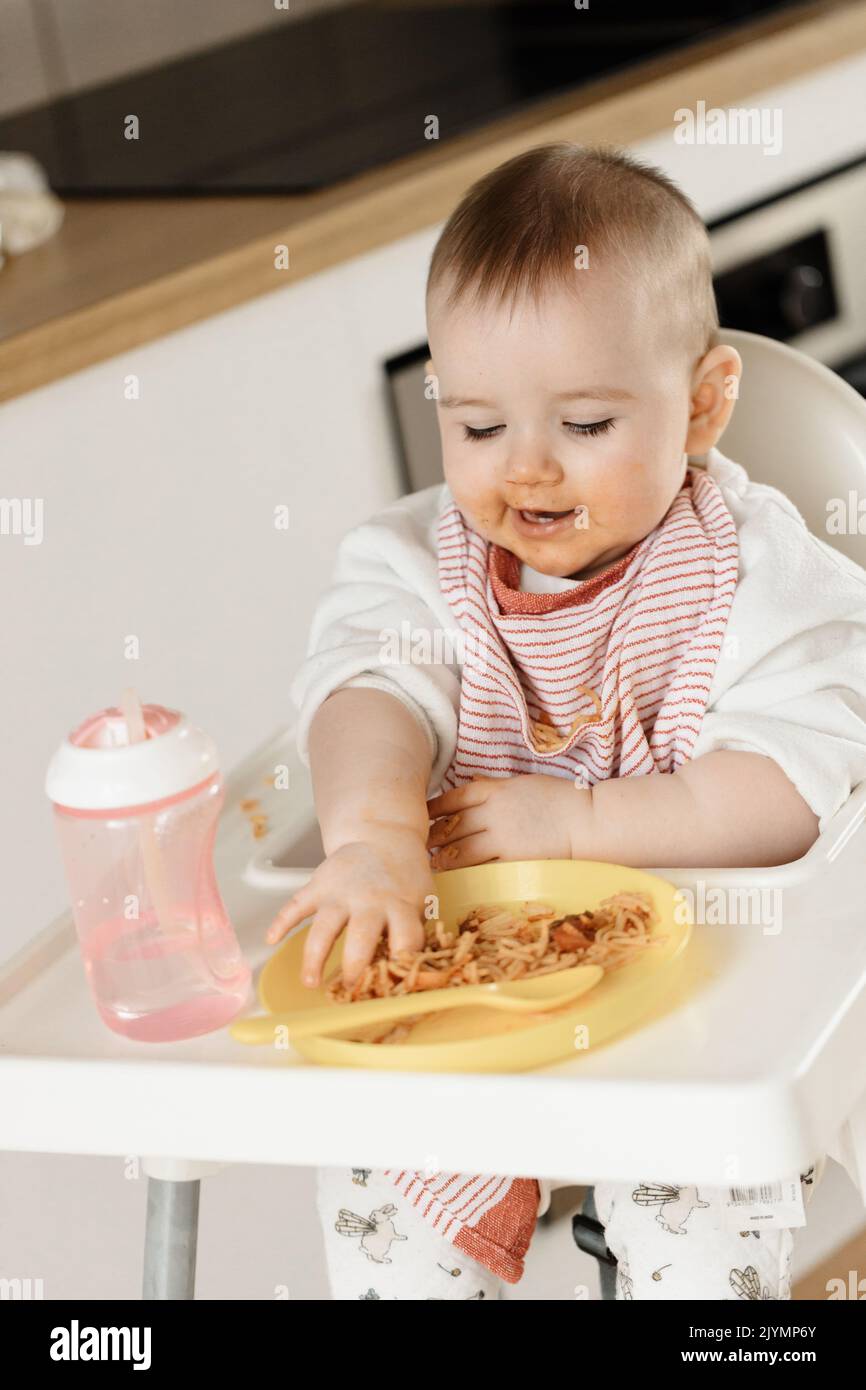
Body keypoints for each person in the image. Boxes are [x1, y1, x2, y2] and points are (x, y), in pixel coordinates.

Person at [269, 143, 866, 1299]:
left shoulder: (756, 576)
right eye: (479, 427)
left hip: (708, 981)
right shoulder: (417, 566)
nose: (524, 470)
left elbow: (793, 786)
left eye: (585, 425)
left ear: (699, 406)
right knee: (383, 1192)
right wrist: (372, 837)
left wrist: (577, 822)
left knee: (695, 1241)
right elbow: (361, 696)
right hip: (471, 989)